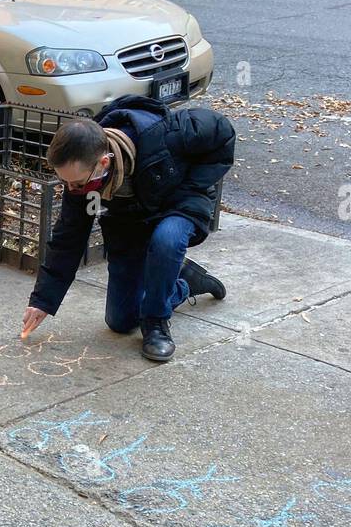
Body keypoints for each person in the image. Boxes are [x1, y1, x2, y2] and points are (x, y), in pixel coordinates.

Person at [21, 97, 235, 362]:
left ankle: (156, 325)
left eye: (77, 183)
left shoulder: (163, 135)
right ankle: (184, 282)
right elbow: (69, 238)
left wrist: (193, 187)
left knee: (167, 240)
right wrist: (43, 301)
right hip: (128, 226)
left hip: (177, 206)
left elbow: (221, 131)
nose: (73, 190)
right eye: (66, 182)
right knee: (120, 321)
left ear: (104, 163)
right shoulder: (81, 180)